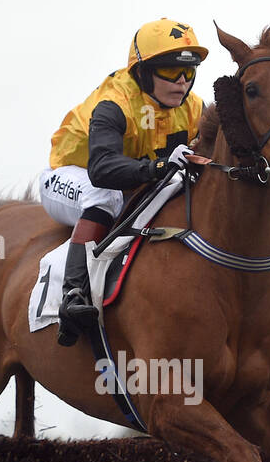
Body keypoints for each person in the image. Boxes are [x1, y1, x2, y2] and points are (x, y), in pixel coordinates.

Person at [42, 18, 208, 346]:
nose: (181, 83)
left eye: (189, 73)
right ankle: (73, 295)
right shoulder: (114, 104)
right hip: (69, 177)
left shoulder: (193, 108)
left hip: (127, 182)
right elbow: (102, 169)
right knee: (104, 196)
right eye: (171, 72)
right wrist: (159, 166)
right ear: (143, 71)